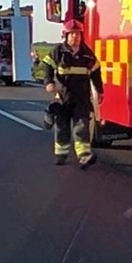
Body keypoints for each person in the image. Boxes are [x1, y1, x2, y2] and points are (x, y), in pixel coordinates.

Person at [40, 19, 104, 168]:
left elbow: (96, 73)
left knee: (82, 126)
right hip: (63, 98)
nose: (75, 37)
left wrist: (100, 91)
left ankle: (84, 156)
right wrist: (49, 82)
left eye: (78, 34)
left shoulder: (87, 55)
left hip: (81, 98)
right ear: (66, 35)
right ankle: (61, 154)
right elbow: (46, 66)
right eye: (72, 34)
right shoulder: (58, 52)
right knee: (62, 127)